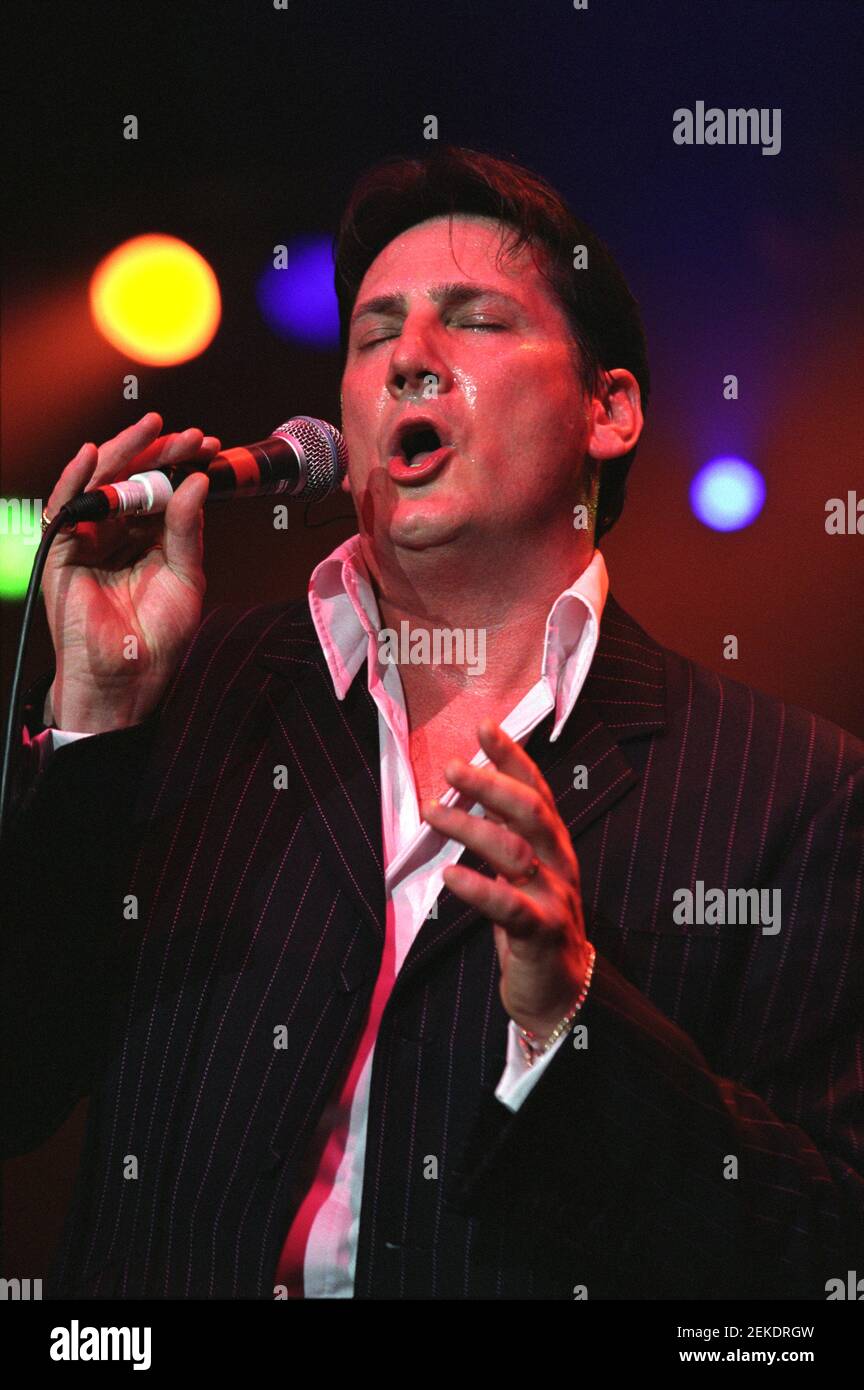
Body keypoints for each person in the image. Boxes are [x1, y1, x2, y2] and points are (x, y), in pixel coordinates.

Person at [1, 147, 861, 1300]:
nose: (410, 358)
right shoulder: (203, 685)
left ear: (609, 410)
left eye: (475, 321)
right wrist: (96, 728)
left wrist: (572, 1015)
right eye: (374, 335)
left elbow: (820, 1255)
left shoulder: (792, 791)